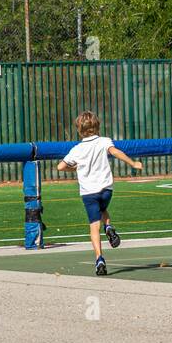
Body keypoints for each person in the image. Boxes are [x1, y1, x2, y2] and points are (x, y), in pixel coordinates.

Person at [57, 112, 143, 275]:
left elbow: (60, 167)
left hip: (89, 192)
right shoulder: (104, 141)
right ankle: (109, 226)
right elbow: (116, 152)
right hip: (106, 189)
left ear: (79, 130)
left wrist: (73, 168)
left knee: (94, 226)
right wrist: (133, 163)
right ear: (97, 126)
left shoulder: (77, 149)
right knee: (103, 210)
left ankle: (99, 259)